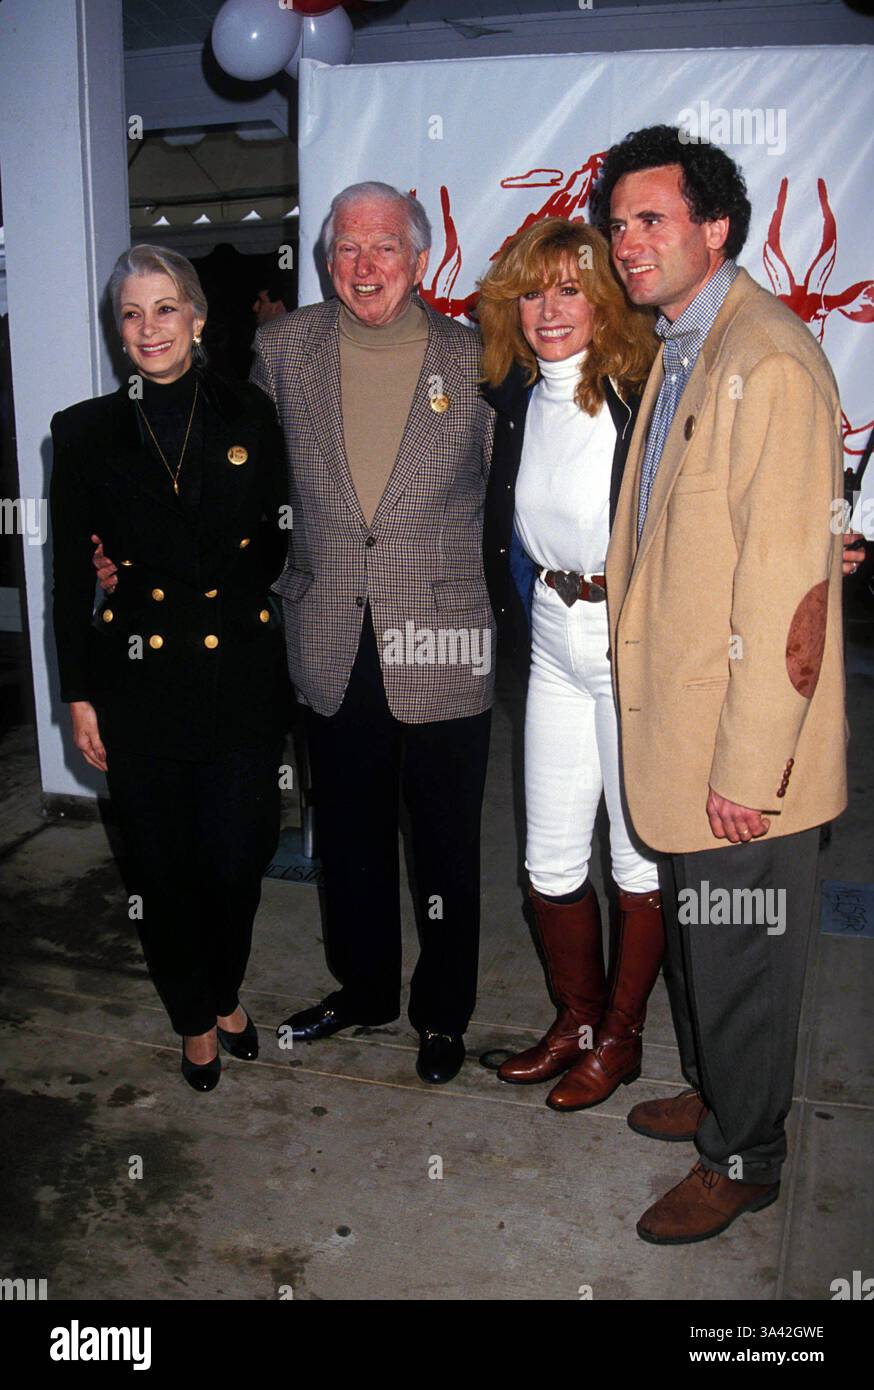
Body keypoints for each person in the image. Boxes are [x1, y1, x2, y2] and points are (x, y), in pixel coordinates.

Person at [590, 125, 848, 1241]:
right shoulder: (686, 344)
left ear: (714, 227)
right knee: (703, 949)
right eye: (616, 225)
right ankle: (715, 1086)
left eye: (651, 221)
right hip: (682, 728)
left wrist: (751, 766)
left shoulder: (768, 359)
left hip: (742, 750)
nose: (626, 244)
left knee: (744, 961)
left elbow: (790, 594)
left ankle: (744, 1153)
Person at [253, 182, 496, 1085]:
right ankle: (363, 990)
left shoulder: (477, 361)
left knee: (443, 840)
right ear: (325, 260)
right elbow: (246, 486)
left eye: (384, 247)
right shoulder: (282, 350)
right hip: (326, 630)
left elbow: (519, 495)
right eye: (346, 249)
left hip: (444, 638)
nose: (364, 267)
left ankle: (442, 1015)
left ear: (419, 257)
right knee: (348, 833)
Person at [51, 244, 289, 1093]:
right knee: (161, 867)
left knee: (236, 855)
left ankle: (222, 985)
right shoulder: (84, 432)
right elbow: (69, 576)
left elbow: (281, 533)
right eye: (131, 313)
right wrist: (78, 693)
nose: (148, 328)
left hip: (241, 673)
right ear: (119, 332)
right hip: (139, 680)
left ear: (195, 317)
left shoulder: (250, 413)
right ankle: (197, 1015)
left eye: (164, 309)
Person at [479, 217, 665, 1111]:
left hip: (629, 653)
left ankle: (621, 1040)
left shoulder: (644, 390)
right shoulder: (514, 397)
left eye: (569, 290)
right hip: (550, 641)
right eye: (532, 291)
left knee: (637, 863)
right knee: (549, 861)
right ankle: (578, 1024)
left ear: (605, 301)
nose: (548, 310)